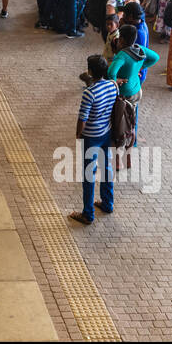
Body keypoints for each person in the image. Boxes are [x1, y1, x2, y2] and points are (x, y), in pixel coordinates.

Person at [70, 54, 118, 225]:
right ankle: (107, 203)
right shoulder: (113, 85)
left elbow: (82, 118)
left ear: (90, 71)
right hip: (107, 133)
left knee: (89, 174)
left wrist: (78, 134)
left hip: (91, 137)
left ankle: (88, 214)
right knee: (106, 168)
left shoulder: (89, 93)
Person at [108, 24, 159, 136]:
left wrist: (115, 81)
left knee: (121, 120)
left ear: (121, 39)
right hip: (137, 91)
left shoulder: (122, 55)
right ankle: (133, 141)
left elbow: (111, 72)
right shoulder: (139, 49)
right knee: (132, 117)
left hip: (124, 94)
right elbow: (155, 57)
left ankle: (120, 140)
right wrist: (142, 67)